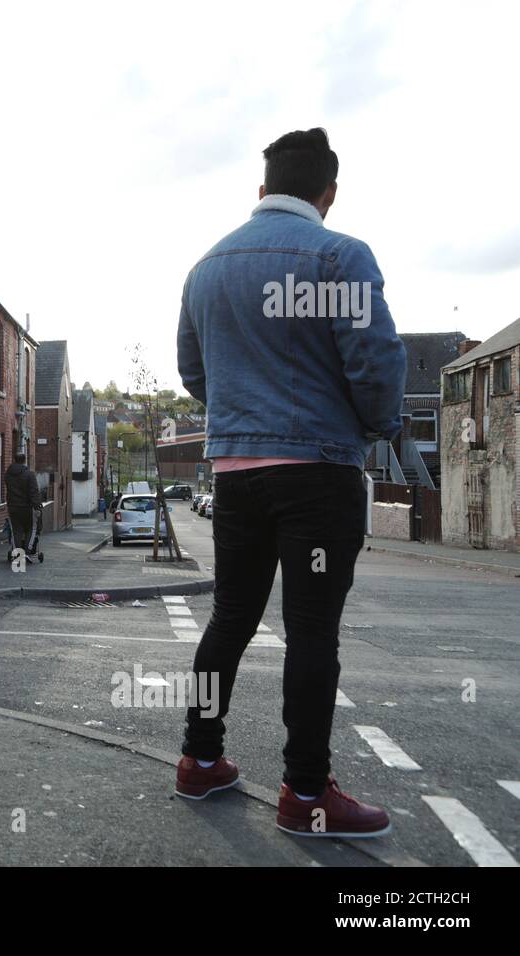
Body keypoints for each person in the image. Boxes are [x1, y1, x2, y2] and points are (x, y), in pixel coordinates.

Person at [174, 128, 405, 838]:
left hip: (237, 475)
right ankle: (306, 795)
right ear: (327, 193)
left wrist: (239, 417)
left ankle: (199, 759)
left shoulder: (206, 267)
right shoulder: (341, 257)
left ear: (261, 188)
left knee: (229, 619)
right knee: (311, 633)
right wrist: (373, 426)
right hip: (317, 472)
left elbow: (191, 371)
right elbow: (376, 363)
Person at [3, 453, 42, 554]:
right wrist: (37, 506)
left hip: (13, 507)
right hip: (27, 508)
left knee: (16, 530)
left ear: (14, 460)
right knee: (31, 529)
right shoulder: (29, 474)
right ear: (24, 461)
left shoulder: (8, 474)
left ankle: (17, 552)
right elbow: (34, 491)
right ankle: (28, 551)